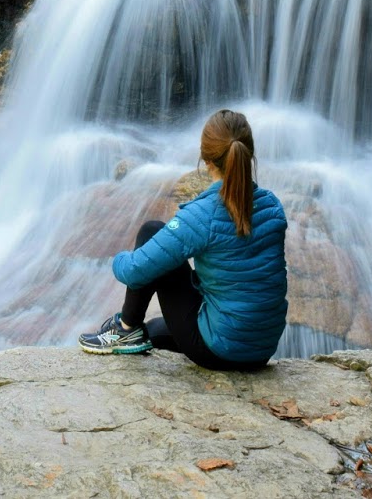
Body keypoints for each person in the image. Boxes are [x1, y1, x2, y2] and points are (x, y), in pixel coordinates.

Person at [78, 109, 288, 370]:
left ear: (206, 159)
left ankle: (125, 328)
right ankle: (133, 330)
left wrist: (118, 258)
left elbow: (133, 272)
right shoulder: (272, 205)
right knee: (153, 331)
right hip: (263, 347)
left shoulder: (202, 215)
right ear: (249, 154)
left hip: (221, 351)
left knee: (151, 232)